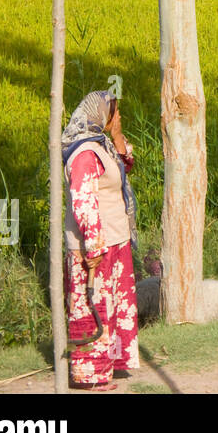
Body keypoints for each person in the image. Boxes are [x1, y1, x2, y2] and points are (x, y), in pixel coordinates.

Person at [61, 90, 139, 390]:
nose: (118, 117)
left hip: (114, 240)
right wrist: (92, 246)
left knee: (114, 305)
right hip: (96, 245)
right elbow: (84, 201)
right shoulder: (83, 154)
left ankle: (108, 365)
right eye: (114, 113)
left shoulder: (101, 144)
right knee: (94, 306)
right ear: (100, 116)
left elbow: (125, 162)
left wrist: (117, 134)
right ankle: (90, 375)